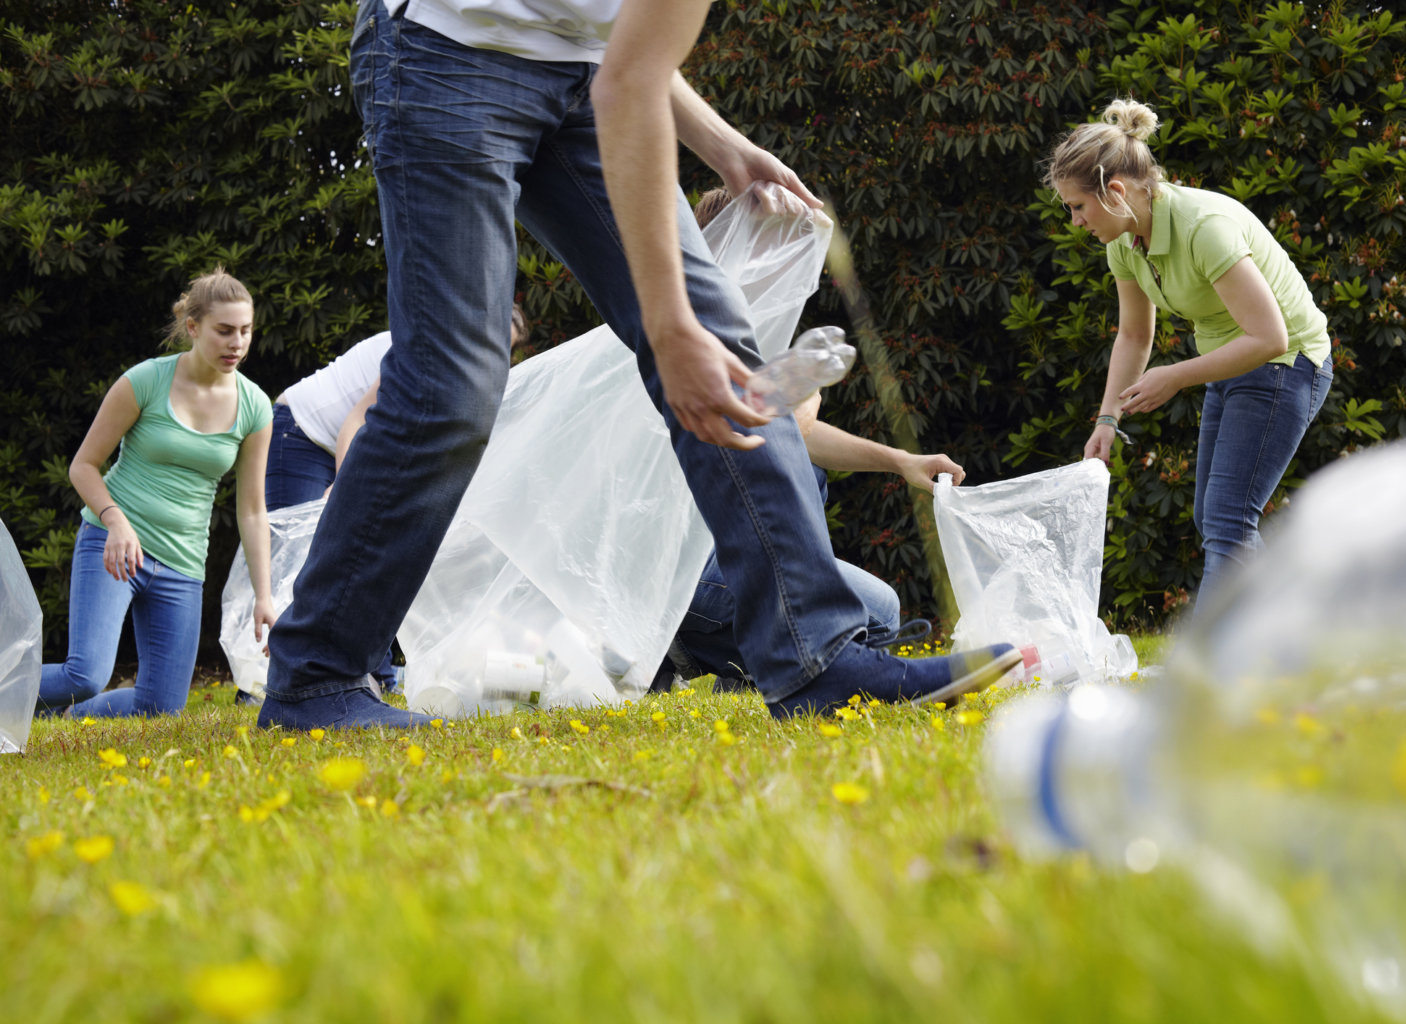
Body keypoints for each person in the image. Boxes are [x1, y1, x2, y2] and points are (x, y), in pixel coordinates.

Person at [256, 0, 1020, 730]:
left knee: (727, 353)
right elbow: (630, 86)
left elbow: (626, 48)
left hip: (585, 75)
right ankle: (317, 675)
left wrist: (722, 146)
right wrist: (667, 327)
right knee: (452, 388)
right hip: (444, 53)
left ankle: (815, 659)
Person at [657, 187, 966, 690]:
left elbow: (802, 435)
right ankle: (692, 647)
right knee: (879, 614)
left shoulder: (742, 326)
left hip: (708, 558)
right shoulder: (693, 335)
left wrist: (900, 460)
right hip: (682, 570)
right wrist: (803, 392)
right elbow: (765, 438)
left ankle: (737, 662)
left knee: (872, 594)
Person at [1048, 99, 1333, 607]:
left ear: (1114, 192)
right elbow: (1134, 335)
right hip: (1232, 362)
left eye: (1077, 206)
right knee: (1215, 517)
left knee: (1227, 518)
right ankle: (1288, 633)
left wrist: (1175, 376)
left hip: (1288, 363)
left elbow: (1271, 338)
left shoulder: (1204, 226)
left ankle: (1213, 669)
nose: (1074, 222)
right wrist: (1106, 421)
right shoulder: (1124, 239)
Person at [36, 269, 274, 718]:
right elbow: (83, 466)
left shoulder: (255, 406)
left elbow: (253, 511)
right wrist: (115, 520)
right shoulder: (145, 381)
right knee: (84, 675)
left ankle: (66, 715)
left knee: (162, 707)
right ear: (193, 327)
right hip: (114, 546)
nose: (237, 343)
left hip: (182, 563)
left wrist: (264, 596)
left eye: (245, 331)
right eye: (224, 331)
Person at [255, 308, 528, 697]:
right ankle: (273, 679)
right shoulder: (422, 342)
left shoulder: (468, 371)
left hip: (347, 440)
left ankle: (375, 676)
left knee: (373, 551)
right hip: (301, 430)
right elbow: (357, 420)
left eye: (507, 347)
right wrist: (347, 486)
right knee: (300, 558)